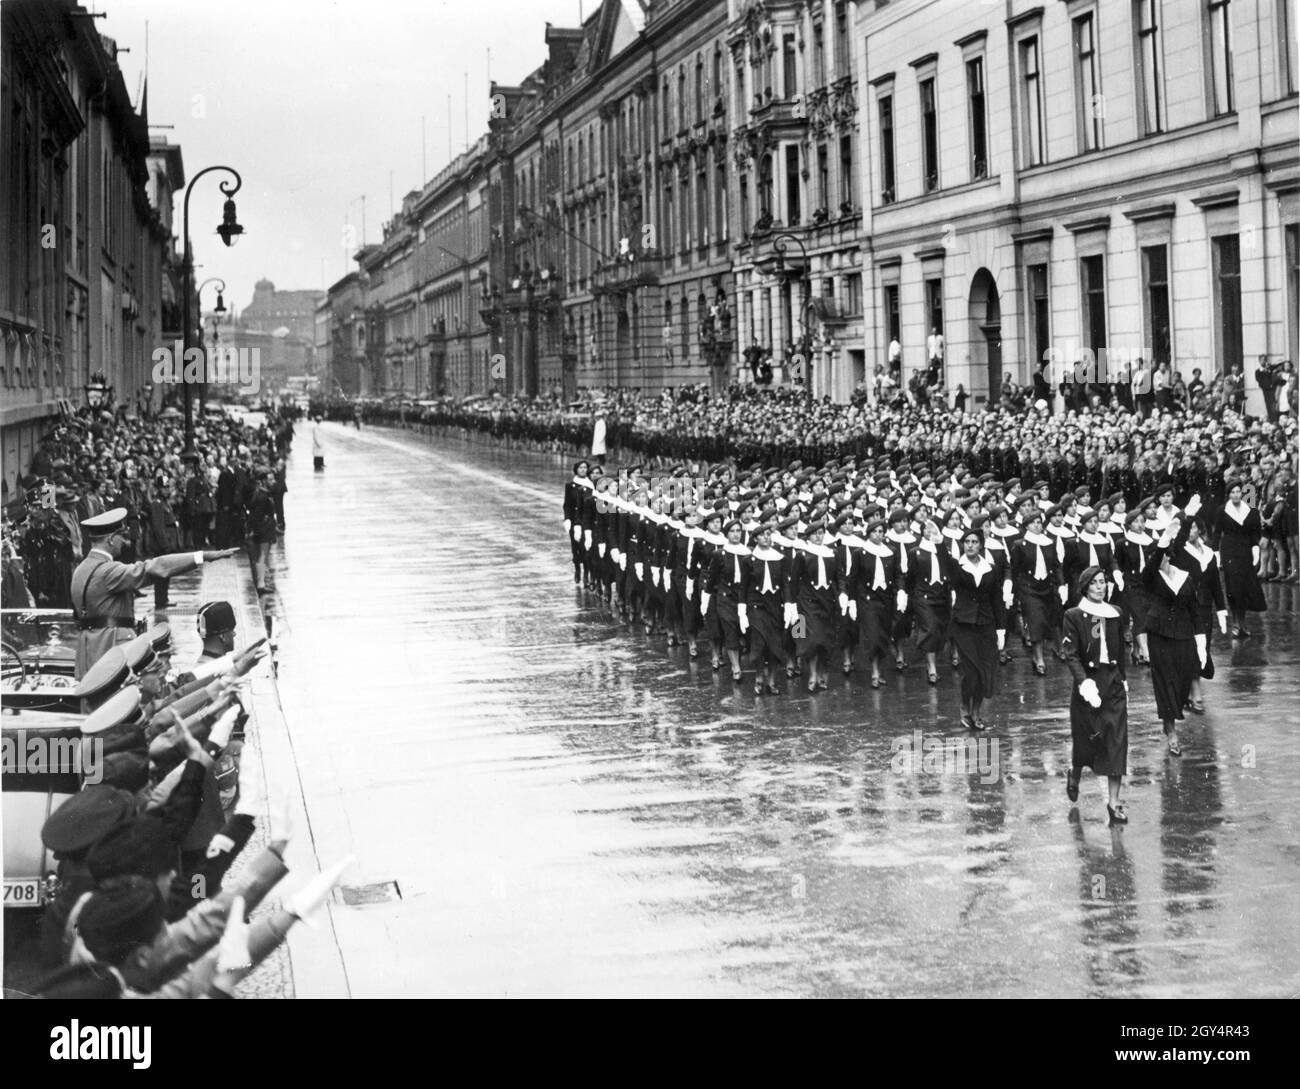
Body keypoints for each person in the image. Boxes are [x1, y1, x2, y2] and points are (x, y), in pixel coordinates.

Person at [70, 508, 238, 679]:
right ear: (111, 539)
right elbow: (154, 568)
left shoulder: (80, 570)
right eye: (122, 537)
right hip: (111, 648)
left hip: (89, 649)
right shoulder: (107, 571)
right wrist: (202, 556)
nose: (125, 543)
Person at [1061, 565, 1130, 824]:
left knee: (1116, 742)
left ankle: (1114, 803)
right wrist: (1084, 683)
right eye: (1095, 583)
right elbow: (1070, 653)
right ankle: (1074, 772)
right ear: (1086, 587)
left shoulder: (1115, 613)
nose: (1101, 587)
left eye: (1104, 582)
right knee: (1085, 743)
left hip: (1111, 682)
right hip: (1088, 685)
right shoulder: (1074, 615)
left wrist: (1123, 680)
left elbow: (1120, 650)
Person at [1142, 505, 1200, 756]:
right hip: (1160, 635)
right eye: (1161, 555)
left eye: (1167, 555)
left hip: (1184, 634)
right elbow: (1158, 556)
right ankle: (1171, 729)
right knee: (1166, 681)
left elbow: (1195, 610)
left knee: (1183, 678)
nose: (1164, 558)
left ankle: (1172, 717)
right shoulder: (1152, 576)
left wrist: (1187, 518)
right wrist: (1169, 534)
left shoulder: (1184, 576)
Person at [939, 525, 1007, 730]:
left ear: (981, 545)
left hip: (986, 624)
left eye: (974, 542)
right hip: (963, 625)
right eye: (967, 542)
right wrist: (937, 542)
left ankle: (976, 711)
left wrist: (1001, 629)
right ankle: (964, 706)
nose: (970, 546)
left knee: (985, 670)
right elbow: (945, 561)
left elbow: (997, 600)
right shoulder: (957, 567)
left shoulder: (991, 569)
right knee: (972, 670)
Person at [1216, 480, 1267, 636]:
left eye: (1238, 492)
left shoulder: (1251, 511)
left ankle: (1243, 624)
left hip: (1245, 551)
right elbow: (1217, 534)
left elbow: (1254, 534)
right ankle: (1236, 624)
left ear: (1242, 493)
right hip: (1229, 551)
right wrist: (1216, 555)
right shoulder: (1222, 510)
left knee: (1244, 588)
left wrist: (1255, 550)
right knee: (1233, 588)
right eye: (1232, 492)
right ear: (1228, 495)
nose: (1236, 495)